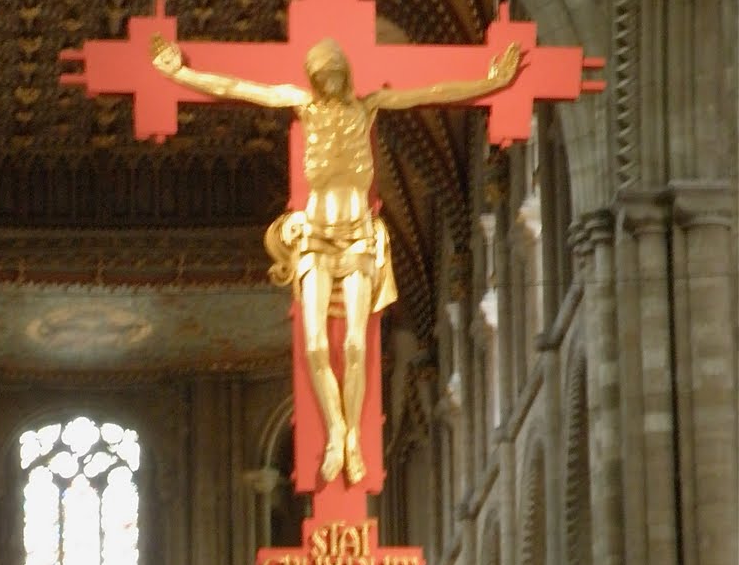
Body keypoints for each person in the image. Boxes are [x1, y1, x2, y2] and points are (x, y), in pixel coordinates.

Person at [150, 34, 522, 485]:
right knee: (314, 345)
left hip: (359, 237)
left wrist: (490, 81)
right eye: (320, 74)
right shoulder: (301, 105)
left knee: (355, 346)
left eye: (333, 72)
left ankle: (350, 443)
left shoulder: (370, 106)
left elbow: (433, 92)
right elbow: (237, 88)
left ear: (344, 72)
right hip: (314, 238)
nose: (327, 80)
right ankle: (337, 435)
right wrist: (179, 73)